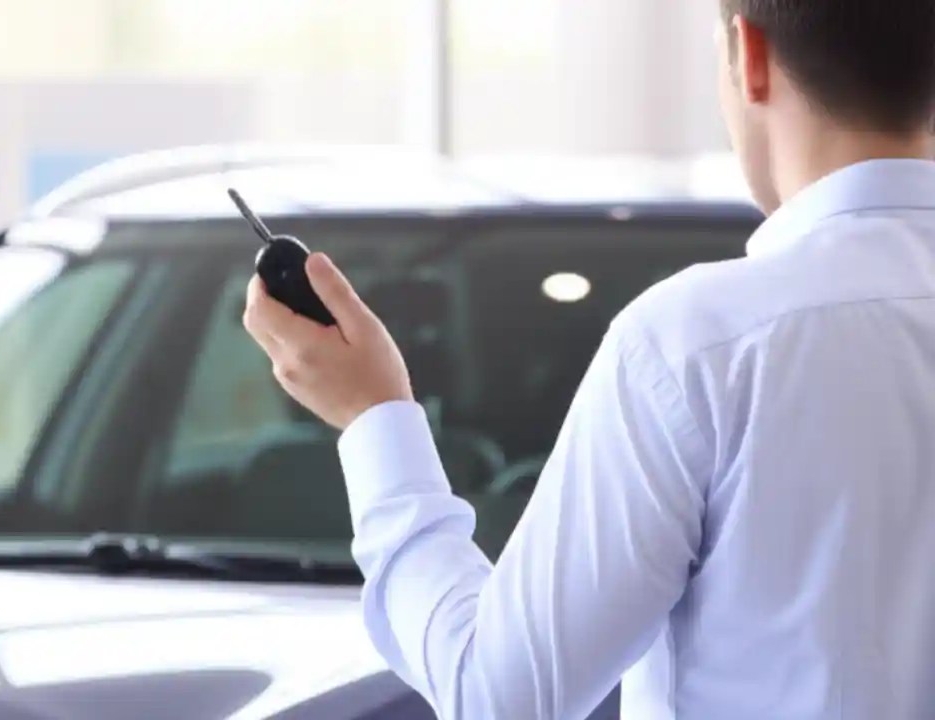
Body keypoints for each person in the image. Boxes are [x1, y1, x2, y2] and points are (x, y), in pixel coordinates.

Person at [242, 1, 935, 718]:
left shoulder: (699, 345)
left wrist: (373, 416)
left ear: (748, 55)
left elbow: (498, 698)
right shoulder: (707, 343)